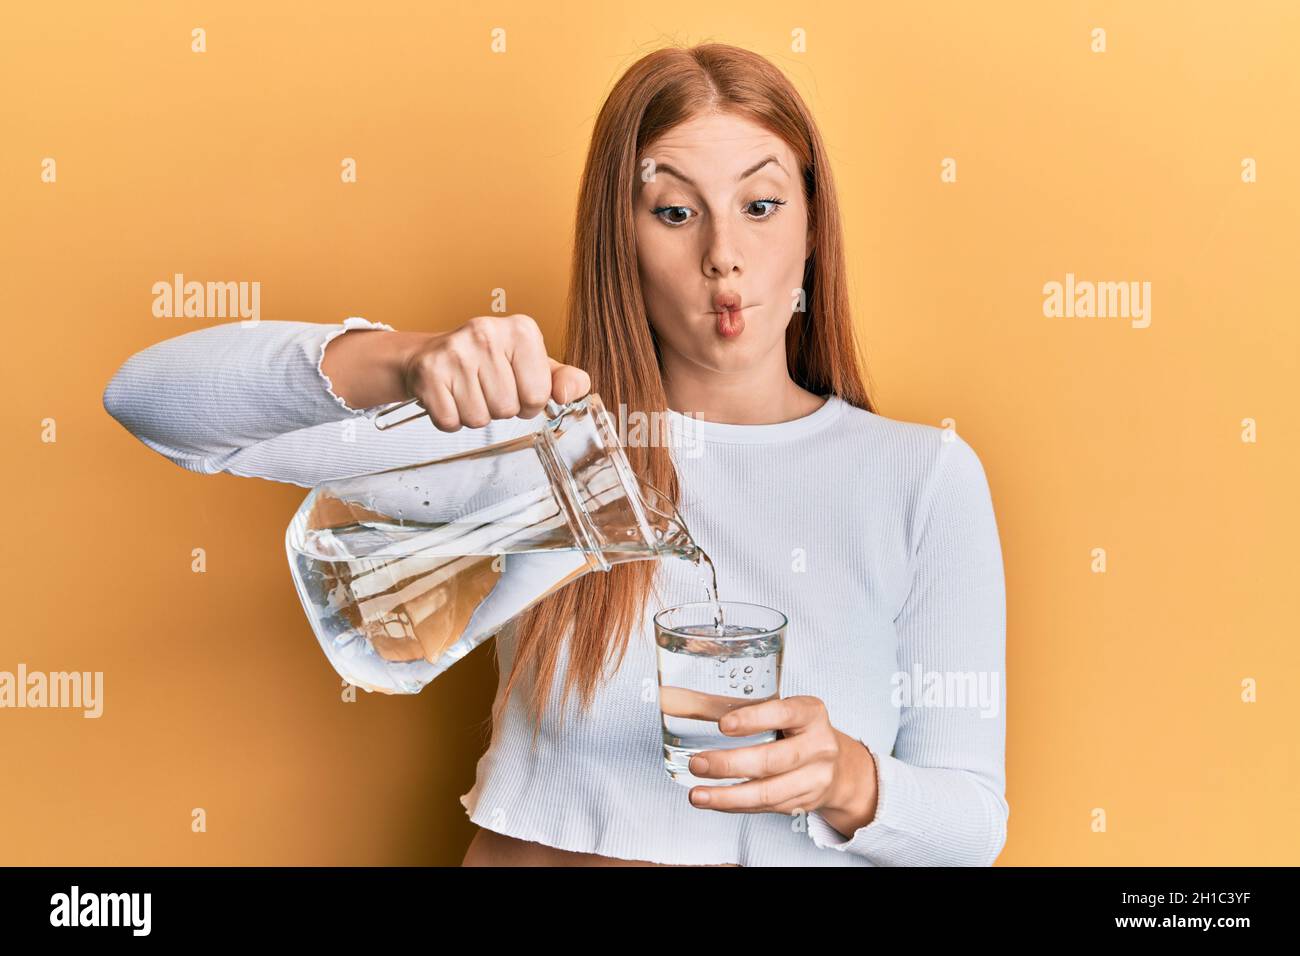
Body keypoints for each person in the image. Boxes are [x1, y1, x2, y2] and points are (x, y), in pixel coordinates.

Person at [103, 42, 1008, 867]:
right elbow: (150, 400)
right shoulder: (543, 435)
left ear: (813, 224)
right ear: (622, 238)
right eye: (675, 211)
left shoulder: (919, 478)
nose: (724, 257)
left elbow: (972, 824)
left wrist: (848, 780)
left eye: (761, 205)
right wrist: (405, 361)